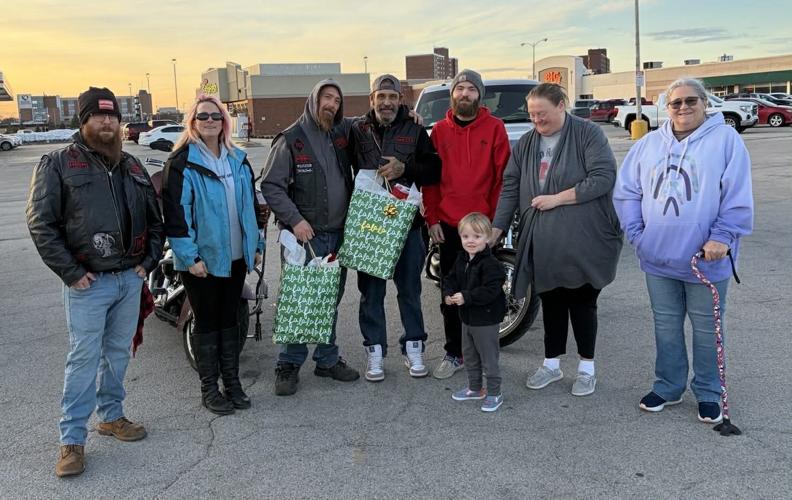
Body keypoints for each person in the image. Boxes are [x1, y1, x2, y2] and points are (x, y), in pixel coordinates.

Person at [26, 87, 164, 477]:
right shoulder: (58, 164)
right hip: (88, 284)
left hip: (128, 279)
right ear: (83, 120)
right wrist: (71, 272)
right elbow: (41, 224)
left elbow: (156, 221)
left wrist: (148, 262)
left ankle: (111, 416)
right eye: (98, 116)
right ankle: (71, 441)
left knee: (118, 354)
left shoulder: (133, 166)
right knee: (83, 359)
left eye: (112, 116)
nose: (107, 122)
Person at [614, 78, 753, 423]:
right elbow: (627, 192)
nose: (683, 108)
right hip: (658, 259)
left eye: (691, 101)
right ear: (667, 107)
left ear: (705, 104)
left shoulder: (726, 141)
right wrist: (637, 235)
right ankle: (668, 385)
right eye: (676, 103)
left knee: (707, 329)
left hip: (705, 260)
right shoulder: (647, 145)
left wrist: (723, 236)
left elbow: (737, 194)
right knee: (666, 326)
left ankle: (708, 391)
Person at [492, 83, 622, 397]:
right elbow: (511, 186)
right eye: (533, 114)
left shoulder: (587, 134)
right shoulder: (526, 143)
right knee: (551, 301)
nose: (537, 120)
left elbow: (604, 176)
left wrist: (558, 198)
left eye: (543, 114)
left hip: (584, 238)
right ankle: (551, 364)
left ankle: (587, 369)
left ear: (561, 105)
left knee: (582, 302)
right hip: (543, 240)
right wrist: (496, 229)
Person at [161, 95, 264, 416]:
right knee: (206, 323)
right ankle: (209, 388)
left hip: (235, 256)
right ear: (193, 122)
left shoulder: (239, 159)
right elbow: (176, 215)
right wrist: (189, 257)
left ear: (224, 122)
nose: (209, 121)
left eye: (216, 116)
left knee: (230, 321)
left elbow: (250, 208)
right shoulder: (182, 163)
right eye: (203, 116)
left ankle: (232, 383)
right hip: (201, 261)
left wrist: (256, 246)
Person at [261, 79, 360, 396]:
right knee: (299, 302)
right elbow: (270, 186)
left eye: (336, 100)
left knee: (329, 300)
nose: (331, 104)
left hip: (338, 235)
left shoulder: (340, 136)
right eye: (326, 97)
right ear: (313, 100)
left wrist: (409, 116)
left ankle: (327, 360)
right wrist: (296, 220)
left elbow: (371, 123)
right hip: (305, 239)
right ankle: (288, 363)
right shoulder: (291, 139)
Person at [348, 74, 441, 381]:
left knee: (410, 291)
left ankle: (413, 347)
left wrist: (406, 168)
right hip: (370, 226)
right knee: (371, 293)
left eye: (392, 96)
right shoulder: (356, 130)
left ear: (400, 99)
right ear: (371, 99)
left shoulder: (415, 129)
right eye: (380, 96)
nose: (386, 102)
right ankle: (374, 351)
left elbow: (434, 170)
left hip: (407, 227)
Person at [422, 69, 511, 379]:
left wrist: (497, 222)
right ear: (453, 95)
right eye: (460, 88)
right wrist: (431, 217)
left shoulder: (495, 128)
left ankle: (485, 353)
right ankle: (454, 352)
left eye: (471, 89)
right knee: (451, 292)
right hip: (448, 225)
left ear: (479, 95)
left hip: (482, 226)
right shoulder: (440, 133)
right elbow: (430, 182)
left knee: (485, 291)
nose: (465, 94)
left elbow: (503, 179)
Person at [445, 213, 507, 412]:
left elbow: (490, 291)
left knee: (489, 359)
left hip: (486, 320)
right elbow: (451, 278)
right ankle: (475, 388)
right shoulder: (461, 259)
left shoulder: (492, 265)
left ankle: (494, 393)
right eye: (466, 236)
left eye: (477, 236)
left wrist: (466, 297)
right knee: (470, 355)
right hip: (467, 318)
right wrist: (448, 293)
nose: (470, 241)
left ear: (488, 238)